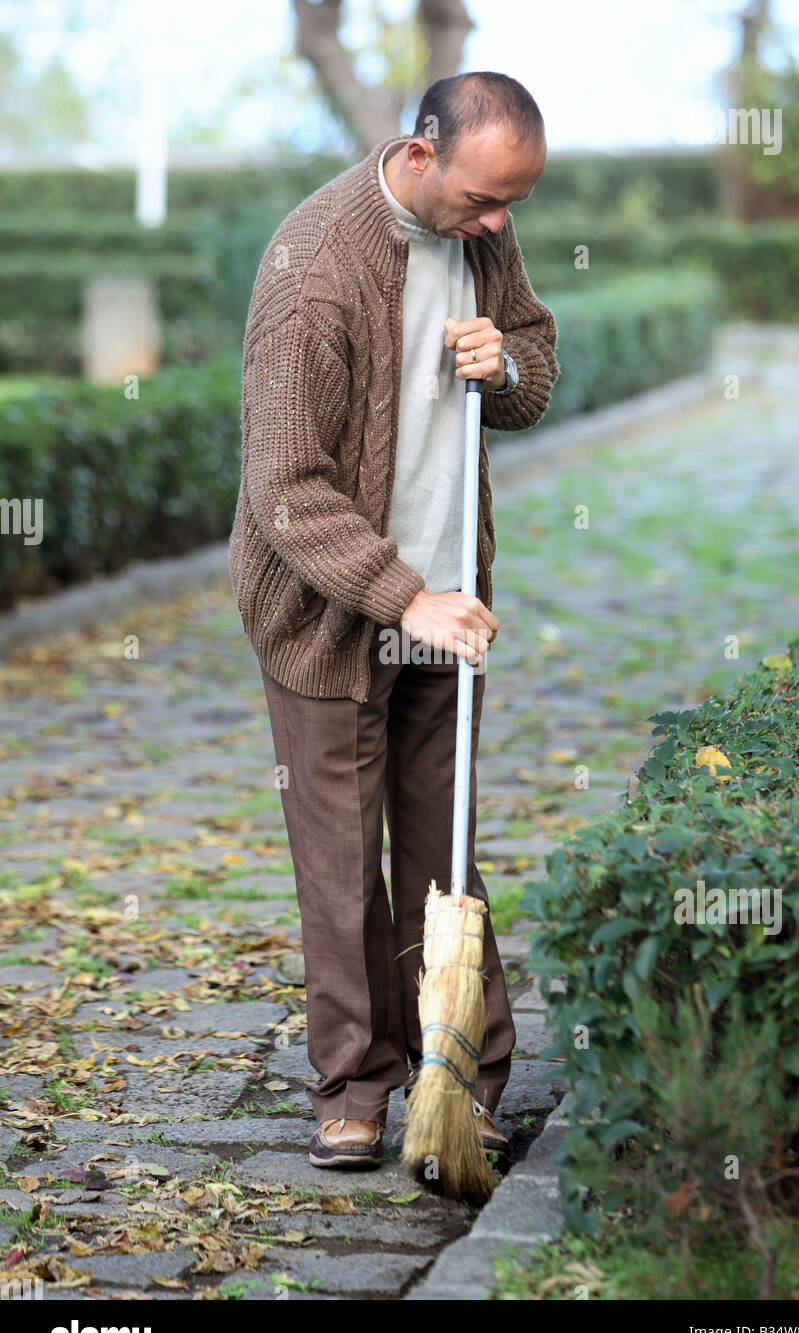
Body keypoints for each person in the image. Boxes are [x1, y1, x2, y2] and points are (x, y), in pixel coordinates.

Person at [228, 70, 559, 1170]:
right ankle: (353, 1082)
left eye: (512, 203)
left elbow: (531, 366)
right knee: (339, 863)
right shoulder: (311, 267)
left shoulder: (478, 238)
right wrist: (399, 591)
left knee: (441, 854)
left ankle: (461, 1076)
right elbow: (283, 486)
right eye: (482, 199)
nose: (499, 224)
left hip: (446, 598)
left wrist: (504, 362)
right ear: (419, 155)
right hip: (327, 613)